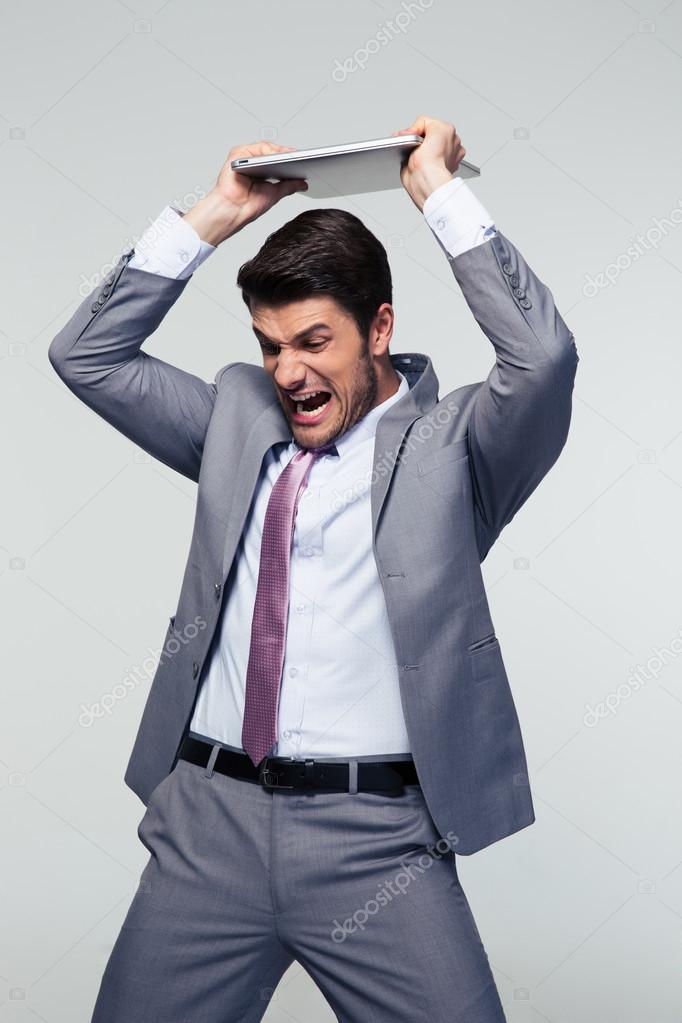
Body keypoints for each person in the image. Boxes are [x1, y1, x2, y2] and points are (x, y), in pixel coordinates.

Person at [48, 114, 578, 1023]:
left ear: (379, 328)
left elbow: (542, 359)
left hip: (377, 842)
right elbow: (84, 354)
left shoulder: (457, 448)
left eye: (314, 341)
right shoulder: (235, 420)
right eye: (269, 343)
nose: (287, 371)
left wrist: (437, 194)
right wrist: (213, 217)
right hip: (206, 828)